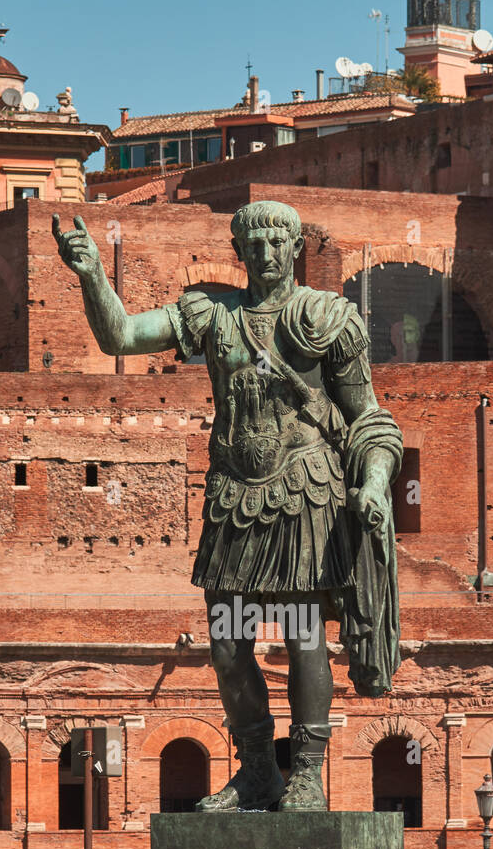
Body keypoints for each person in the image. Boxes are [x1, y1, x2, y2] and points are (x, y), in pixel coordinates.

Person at [53, 201, 403, 812]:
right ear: (238, 251)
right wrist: (91, 277)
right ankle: (258, 771)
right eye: (253, 244)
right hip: (234, 495)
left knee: (300, 635)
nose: (265, 255)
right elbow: (122, 335)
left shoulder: (326, 319)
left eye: (276, 242)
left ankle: (308, 775)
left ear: (295, 248)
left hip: (303, 487)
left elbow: (368, 416)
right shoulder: (213, 315)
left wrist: (373, 483)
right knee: (226, 640)